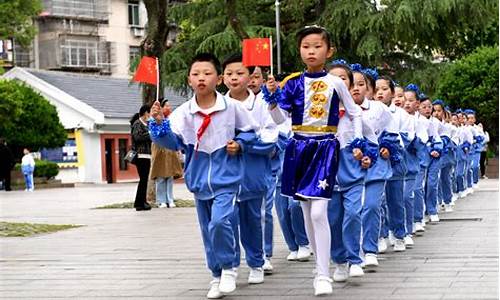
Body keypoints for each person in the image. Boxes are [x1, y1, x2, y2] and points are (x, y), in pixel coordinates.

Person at [263, 25, 363, 296]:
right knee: (306, 211)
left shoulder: (336, 82)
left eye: (317, 46)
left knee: (319, 212)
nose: (311, 51)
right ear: (299, 50)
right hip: (298, 149)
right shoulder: (292, 83)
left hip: (325, 148)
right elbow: (279, 120)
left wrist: (358, 142)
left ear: (328, 51)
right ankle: (320, 268)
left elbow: (354, 113)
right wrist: (272, 101)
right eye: (306, 46)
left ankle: (323, 274)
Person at [149, 53, 259, 299]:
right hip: (199, 182)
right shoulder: (183, 113)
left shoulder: (232, 108)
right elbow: (172, 142)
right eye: (196, 74)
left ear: (218, 78)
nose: (201, 78)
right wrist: (158, 124)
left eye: (207, 73)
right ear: (189, 80)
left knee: (221, 222)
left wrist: (239, 144)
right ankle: (216, 275)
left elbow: (251, 133)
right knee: (208, 230)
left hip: (227, 180)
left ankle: (230, 267)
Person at [222, 53, 278, 283]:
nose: (234, 78)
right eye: (229, 74)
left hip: (254, 173)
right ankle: (231, 265)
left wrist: (245, 144)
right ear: (221, 77)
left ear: (251, 77)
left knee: (254, 220)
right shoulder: (218, 104)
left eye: (240, 73)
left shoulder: (262, 104)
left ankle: (256, 262)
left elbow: (271, 137)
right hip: (224, 175)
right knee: (227, 220)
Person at [375, 76, 409, 252]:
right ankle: (380, 234)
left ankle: (399, 235)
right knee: (378, 200)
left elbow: (405, 138)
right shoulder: (370, 110)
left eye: (384, 89)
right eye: (377, 89)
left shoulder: (401, 114)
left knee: (395, 200)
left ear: (392, 92)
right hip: (377, 158)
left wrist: (391, 147)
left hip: (395, 159)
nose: (380, 92)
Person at [149, 99, 183, 208]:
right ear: (161, 108)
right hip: (159, 150)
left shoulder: (171, 120)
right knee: (160, 177)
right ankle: (161, 200)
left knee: (170, 176)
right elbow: (154, 134)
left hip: (170, 150)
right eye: (166, 106)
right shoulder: (153, 120)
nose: (169, 108)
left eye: (169, 106)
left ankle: (170, 199)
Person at [131, 104, 152, 211]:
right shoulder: (137, 124)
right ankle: (139, 203)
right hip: (140, 155)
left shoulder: (147, 124)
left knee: (145, 180)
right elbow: (137, 137)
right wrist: (149, 133)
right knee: (143, 179)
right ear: (145, 113)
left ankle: (143, 201)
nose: (150, 115)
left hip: (147, 155)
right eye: (150, 113)